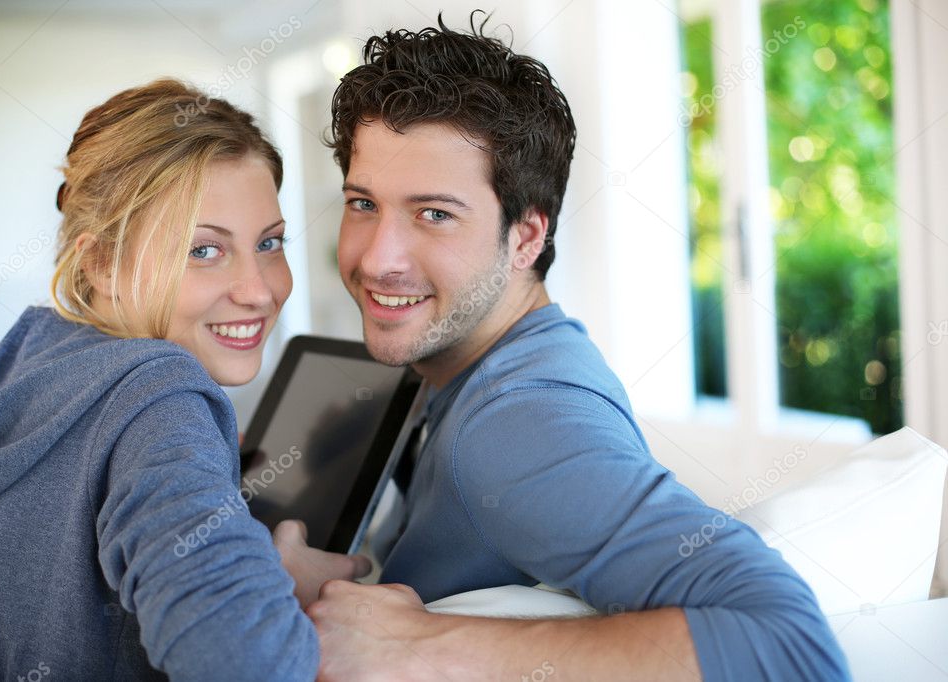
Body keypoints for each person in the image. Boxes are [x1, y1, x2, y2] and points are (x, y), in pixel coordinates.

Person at [301, 13, 851, 681]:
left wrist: (418, 645)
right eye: (363, 204)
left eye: (434, 214)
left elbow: (792, 649)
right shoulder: (471, 364)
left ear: (526, 237)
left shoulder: (518, 426)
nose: (378, 258)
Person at [0, 78, 368, 680]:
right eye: (203, 251)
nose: (260, 289)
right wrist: (276, 578)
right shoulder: (159, 391)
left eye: (269, 243)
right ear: (99, 263)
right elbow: (244, 658)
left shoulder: (3, 362)